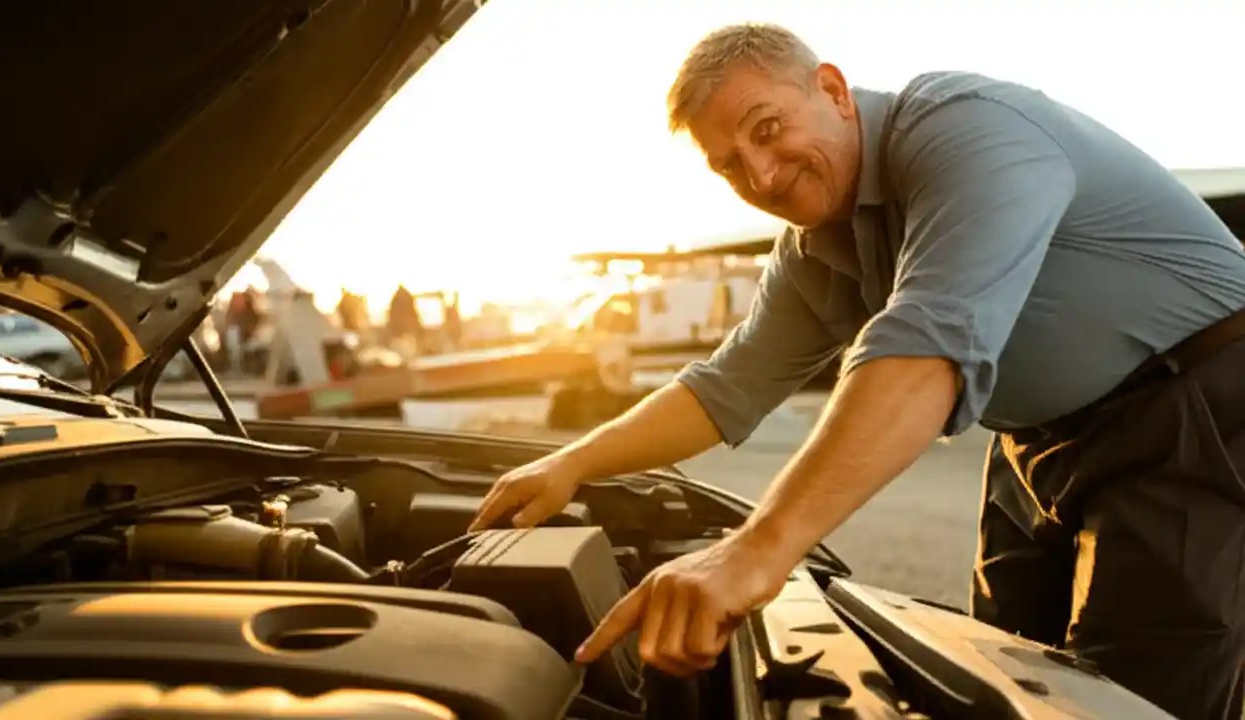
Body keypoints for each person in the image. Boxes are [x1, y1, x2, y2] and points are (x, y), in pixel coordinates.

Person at [469, 23, 1245, 720]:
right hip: (1038, 443)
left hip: (1196, 409)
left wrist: (753, 553)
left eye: (767, 130)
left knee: (1132, 698)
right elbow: (726, 386)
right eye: (731, 166)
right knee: (1002, 678)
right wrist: (575, 461)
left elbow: (927, 345)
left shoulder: (966, 128)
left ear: (833, 90)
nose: (764, 176)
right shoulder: (813, 250)